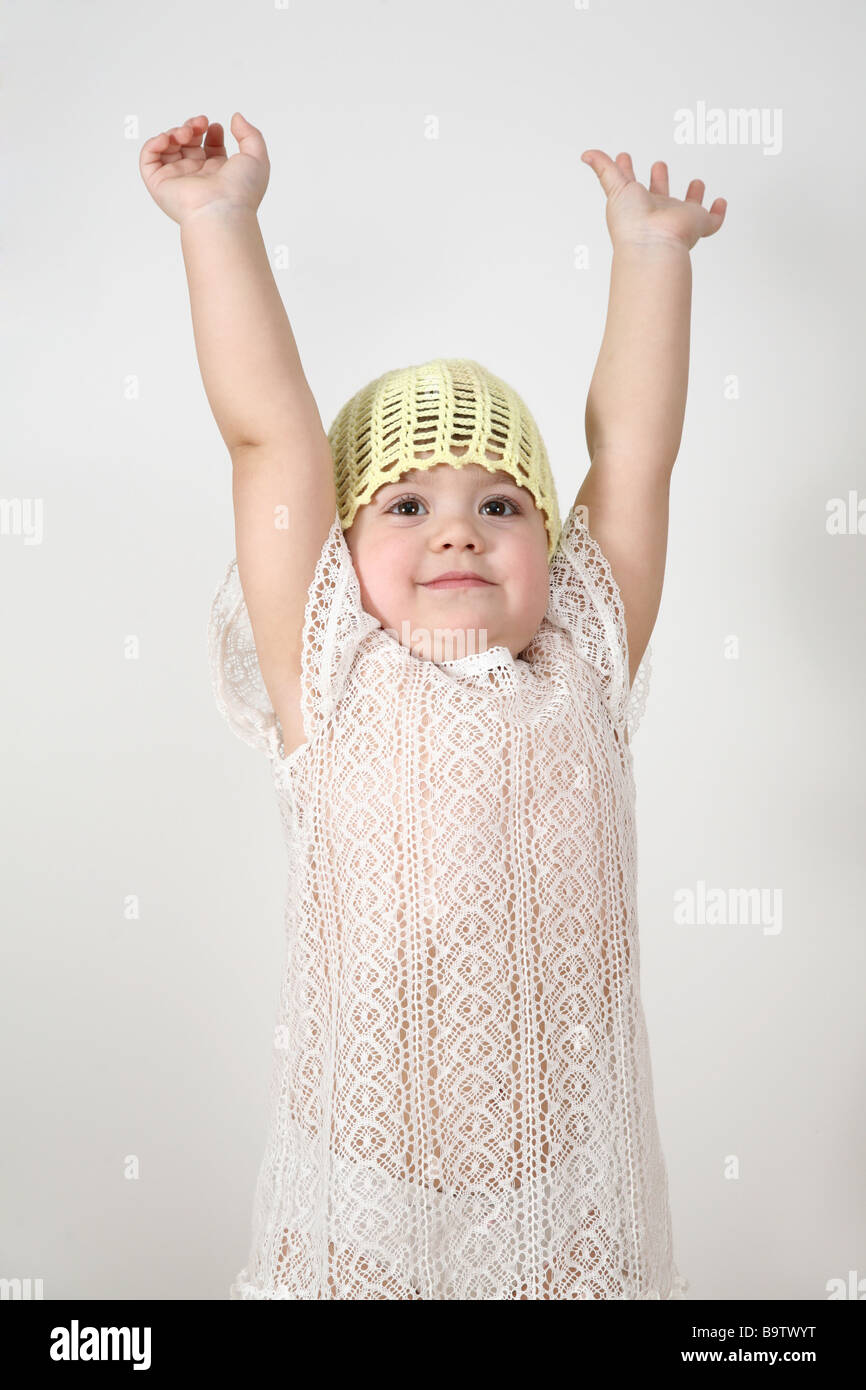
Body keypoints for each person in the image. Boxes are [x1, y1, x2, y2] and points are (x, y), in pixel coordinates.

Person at [139, 112, 726, 1299]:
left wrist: (650, 256)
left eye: (500, 504)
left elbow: (634, 459)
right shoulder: (330, 674)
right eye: (403, 504)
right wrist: (216, 223)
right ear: (342, 550)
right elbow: (266, 439)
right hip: (359, 1198)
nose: (457, 522)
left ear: (549, 550)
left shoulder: (582, 655)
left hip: (573, 1199)